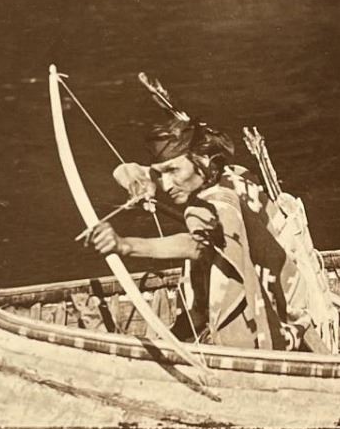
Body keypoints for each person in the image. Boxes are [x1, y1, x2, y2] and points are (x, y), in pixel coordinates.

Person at [81, 111, 310, 350]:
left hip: (272, 317)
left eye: (173, 171)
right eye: (160, 174)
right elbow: (125, 169)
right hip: (283, 293)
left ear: (201, 159)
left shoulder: (220, 199)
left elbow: (197, 245)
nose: (166, 185)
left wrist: (124, 245)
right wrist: (138, 182)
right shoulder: (227, 171)